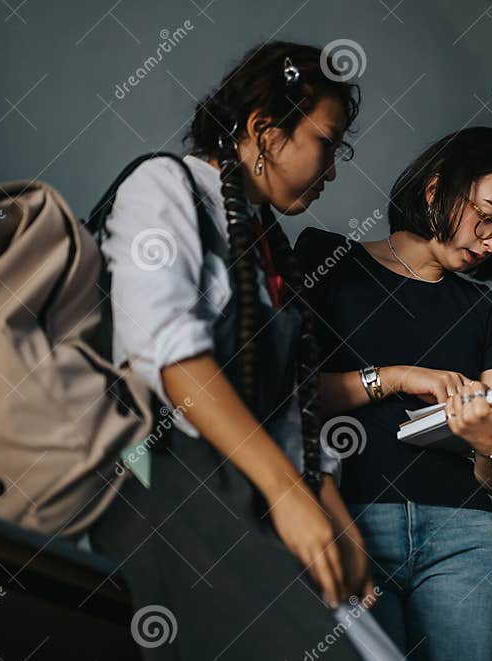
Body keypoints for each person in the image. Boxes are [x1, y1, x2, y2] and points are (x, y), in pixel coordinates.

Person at [89, 41, 373, 660]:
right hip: (151, 484)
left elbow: (291, 417)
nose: (333, 170)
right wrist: (287, 494)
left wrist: (338, 524)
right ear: (263, 131)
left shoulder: (271, 249)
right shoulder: (164, 188)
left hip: (240, 493)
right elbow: (171, 359)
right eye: (327, 143)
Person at [295, 126, 492, 661]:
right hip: (351, 517)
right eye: (488, 216)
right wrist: (397, 376)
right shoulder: (328, 263)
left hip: (466, 538)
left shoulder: (488, 315)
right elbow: (289, 397)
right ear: (436, 191)